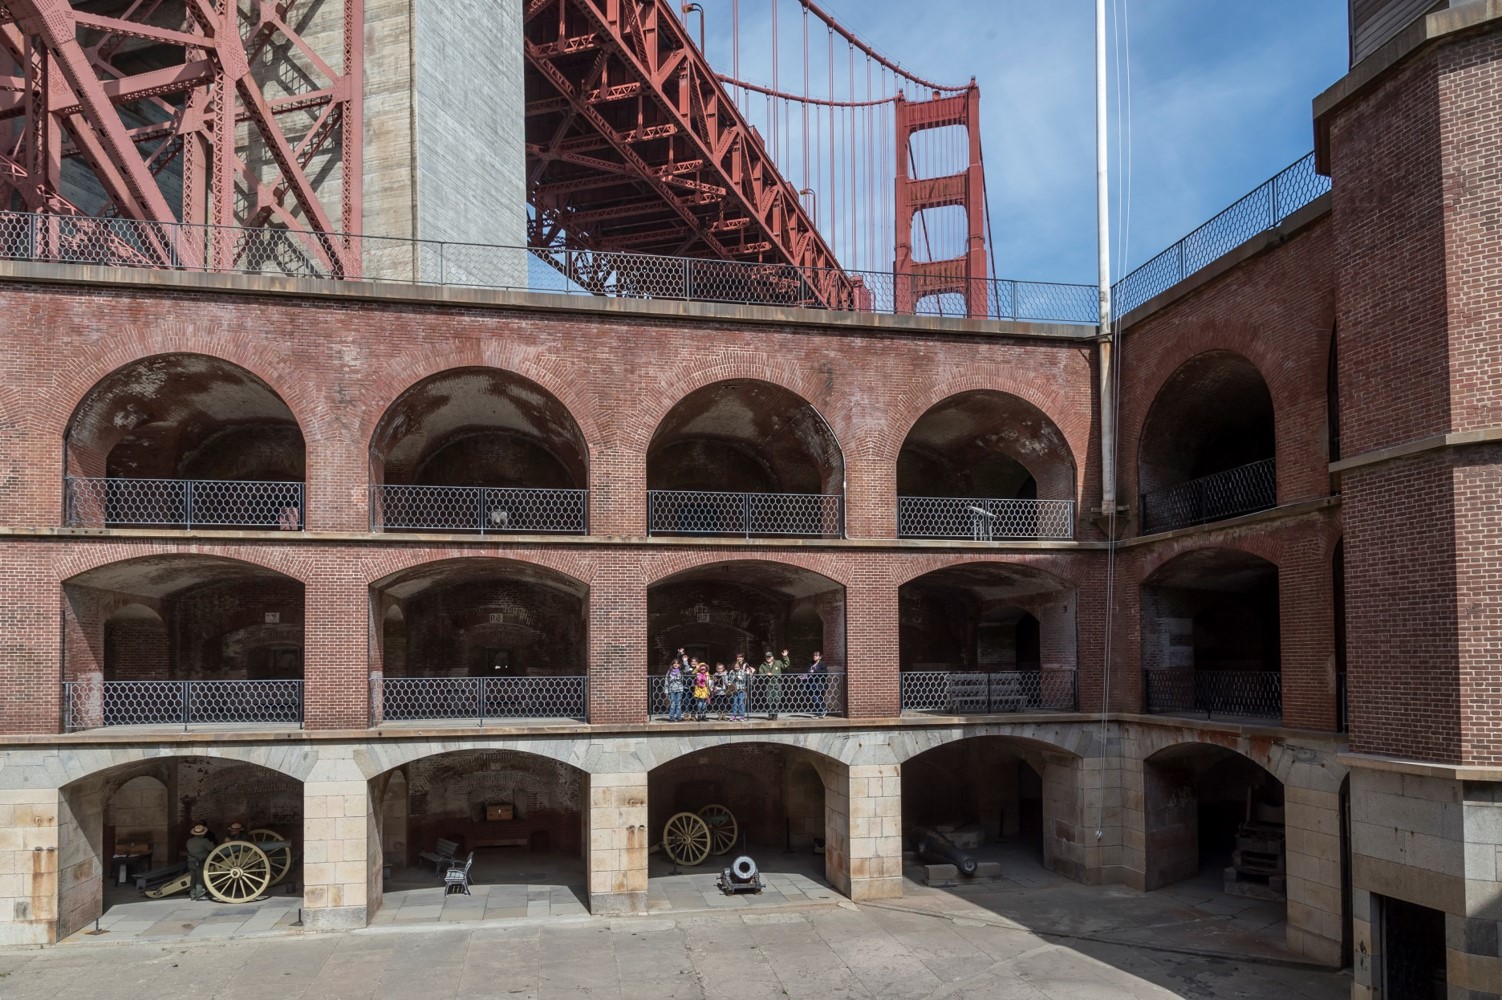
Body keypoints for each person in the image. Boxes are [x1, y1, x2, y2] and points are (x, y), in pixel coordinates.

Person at [185, 822, 215, 901]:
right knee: (199, 879)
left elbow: (188, 848)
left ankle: (192, 894)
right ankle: (199, 894)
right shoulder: (204, 841)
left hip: (190, 862)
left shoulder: (189, 841)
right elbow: (211, 848)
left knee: (193, 878)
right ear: (203, 833)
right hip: (199, 861)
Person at [763, 649, 788, 719]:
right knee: (769, 700)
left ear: (772, 657)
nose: (768, 658)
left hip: (777, 684)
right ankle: (770, 714)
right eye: (767, 657)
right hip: (768, 685)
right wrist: (766, 674)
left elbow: (786, 665)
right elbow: (760, 674)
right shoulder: (763, 665)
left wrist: (785, 657)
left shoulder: (778, 663)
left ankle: (775, 714)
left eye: (769, 657)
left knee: (777, 699)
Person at [806, 651, 829, 718]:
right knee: (816, 697)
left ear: (820, 657)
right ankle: (821, 712)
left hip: (819, 683)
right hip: (811, 683)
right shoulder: (811, 663)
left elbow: (825, 672)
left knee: (815, 697)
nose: (814, 656)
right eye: (814, 655)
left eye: (816, 655)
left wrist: (815, 671)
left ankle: (822, 710)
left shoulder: (822, 664)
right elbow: (807, 671)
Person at [729, 654, 751, 721]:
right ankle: (734, 715)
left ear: (740, 667)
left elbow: (744, 678)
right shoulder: (731, 672)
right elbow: (729, 678)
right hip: (735, 690)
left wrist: (739, 677)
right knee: (735, 703)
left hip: (741, 689)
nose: (736, 668)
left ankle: (742, 716)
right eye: (735, 667)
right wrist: (731, 681)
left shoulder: (742, 671)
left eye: (738, 667)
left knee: (741, 702)